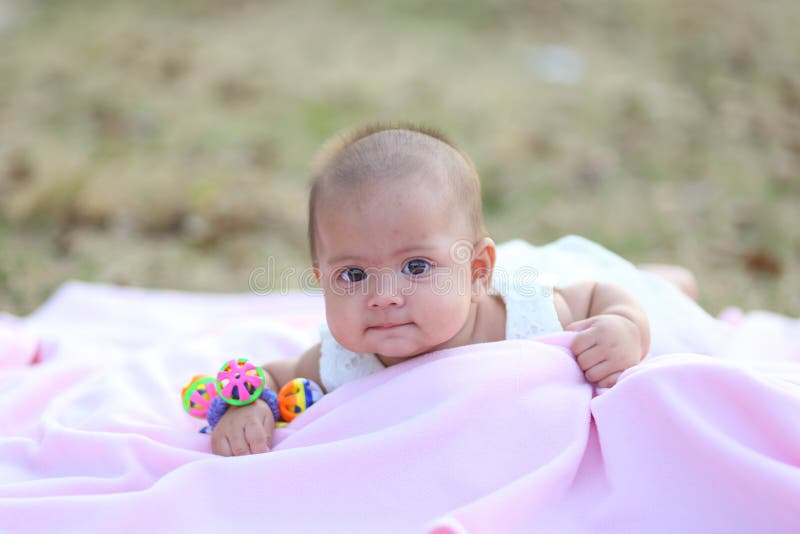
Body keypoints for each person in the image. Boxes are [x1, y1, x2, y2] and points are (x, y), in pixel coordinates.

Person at [211, 124, 652, 456]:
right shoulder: (345, 362)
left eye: (415, 266)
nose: (383, 295)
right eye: (353, 275)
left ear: (477, 272)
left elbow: (597, 294)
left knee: (651, 287)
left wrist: (625, 324)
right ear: (321, 281)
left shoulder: (525, 317)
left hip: (544, 274)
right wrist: (251, 406)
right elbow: (272, 375)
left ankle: (668, 279)